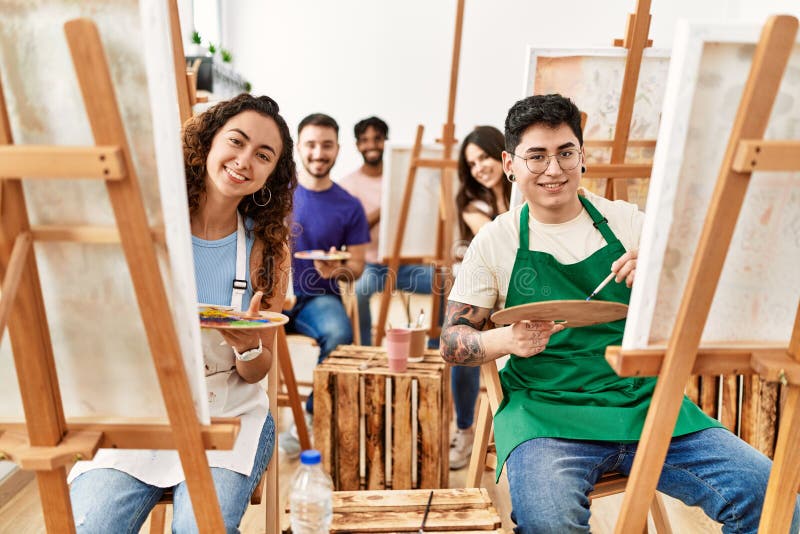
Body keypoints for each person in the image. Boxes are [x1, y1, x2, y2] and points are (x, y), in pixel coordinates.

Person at [440, 93, 799, 533]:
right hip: (547, 416)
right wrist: (505, 340)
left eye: (565, 153)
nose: (553, 170)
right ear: (510, 163)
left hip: (644, 404)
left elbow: (700, 305)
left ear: (582, 156)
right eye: (536, 157)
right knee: (550, 523)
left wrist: (657, 278)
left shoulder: (628, 222)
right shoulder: (496, 240)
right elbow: (452, 341)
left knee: (771, 496)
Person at [68, 93, 297, 532]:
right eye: (237, 141)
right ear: (208, 143)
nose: (244, 160)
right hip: (139, 412)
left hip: (228, 415)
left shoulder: (268, 249)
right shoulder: (148, 225)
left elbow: (256, 373)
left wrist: (249, 348)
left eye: (263, 155)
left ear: (271, 174)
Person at [280, 113, 370, 456]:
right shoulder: (276, 195)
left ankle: (308, 416)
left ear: (337, 149)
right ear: (299, 147)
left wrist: (338, 270)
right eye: (312, 145)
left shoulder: (349, 205)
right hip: (272, 296)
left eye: (327, 145)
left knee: (339, 335)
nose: (319, 153)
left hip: (318, 297)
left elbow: (358, 267)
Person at [339, 116, 434, 346]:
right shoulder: (347, 186)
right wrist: (385, 210)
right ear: (357, 145)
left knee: (446, 283)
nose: (371, 145)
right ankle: (364, 348)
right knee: (360, 293)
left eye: (377, 139)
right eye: (364, 140)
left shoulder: (402, 179)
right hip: (371, 266)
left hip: (407, 265)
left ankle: (435, 346)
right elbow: (349, 232)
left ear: (386, 141)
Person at [448, 125, 511, 470]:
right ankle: (465, 429)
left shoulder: (526, 192)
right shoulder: (472, 203)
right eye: (472, 164)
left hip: (515, 286)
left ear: (502, 154)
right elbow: (498, 243)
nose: (480, 168)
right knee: (465, 343)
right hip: (479, 286)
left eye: (484, 157)